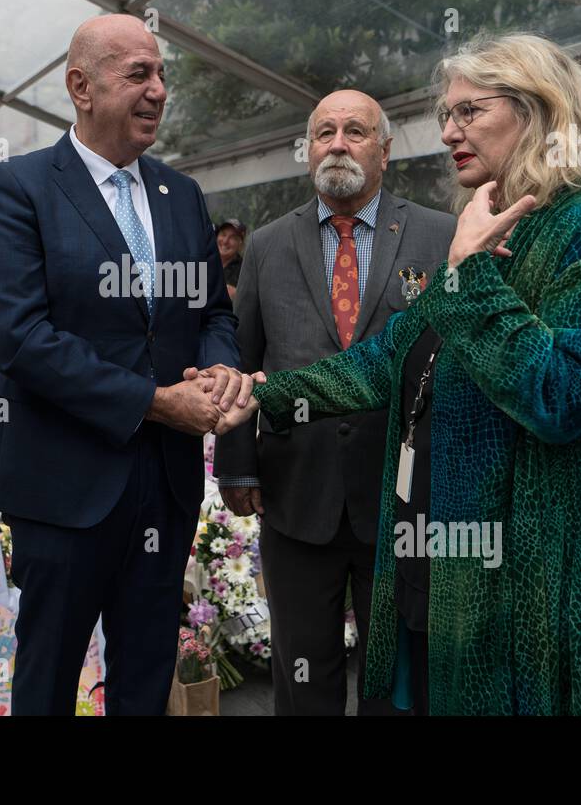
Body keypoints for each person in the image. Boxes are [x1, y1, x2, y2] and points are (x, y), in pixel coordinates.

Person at [210, 33, 581, 715]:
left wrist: (470, 275)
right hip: (474, 564)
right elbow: (388, 359)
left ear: (535, 110)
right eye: (447, 115)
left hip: (572, 581)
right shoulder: (495, 228)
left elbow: (561, 396)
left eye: (469, 111)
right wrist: (260, 392)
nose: (448, 132)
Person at [0, 13, 246, 715]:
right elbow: (19, 337)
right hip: (64, 487)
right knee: (49, 669)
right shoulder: (19, 188)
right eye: (138, 75)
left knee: (148, 666)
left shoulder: (179, 194)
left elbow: (213, 312)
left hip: (166, 483)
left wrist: (218, 373)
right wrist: (155, 402)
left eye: (161, 74)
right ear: (80, 87)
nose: (158, 90)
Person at [213, 90, 454, 715]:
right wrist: (236, 466)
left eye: (354, 130)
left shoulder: (439, 235)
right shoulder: (267, 244)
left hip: (400, 500)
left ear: (385, 149)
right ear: (308, 149)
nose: (338, 143)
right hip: (295, 493)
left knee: (394, 673)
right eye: (324, 133)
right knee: (303, 674)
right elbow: (244, 357)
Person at [215, 219, 246, 301]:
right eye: (223, 234)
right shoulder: (201, 259)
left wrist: (238, 296)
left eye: (233, 237)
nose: (225, 241)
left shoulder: (245, 271)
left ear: (241, 244)